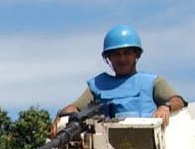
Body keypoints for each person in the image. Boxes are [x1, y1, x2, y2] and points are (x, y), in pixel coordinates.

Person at [56, 25, 186, 128]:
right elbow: (75, 107)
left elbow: (178, 100)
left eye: (127, 53)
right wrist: (61, 117)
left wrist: (165, 107)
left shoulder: (152, 82)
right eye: (116, 54)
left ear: (136, 55)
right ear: (109, 58)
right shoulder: (98, 85)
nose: (122, 58)